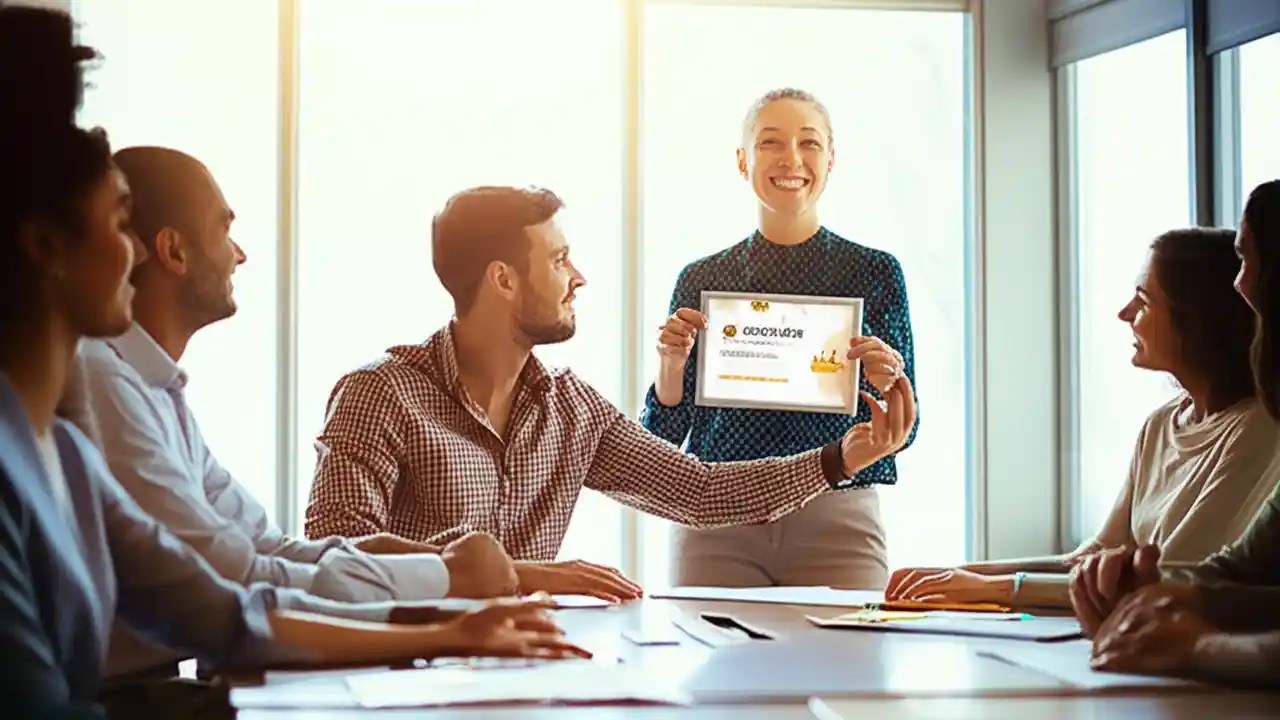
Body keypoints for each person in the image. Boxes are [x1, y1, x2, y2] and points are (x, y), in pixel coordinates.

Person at [0, 8, 583, 718]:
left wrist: (450, 626)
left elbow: (228, 609)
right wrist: (445, 587)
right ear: (44, 245)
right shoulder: (76, 414)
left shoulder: (67, 442)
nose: (131, 249)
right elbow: (239, 579)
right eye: (114, 223)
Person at [74, 146, 540, 685]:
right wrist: (442, 583)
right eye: (225, 231)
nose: (239, 254)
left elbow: (264, 548)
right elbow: (238, 585)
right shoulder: (104, 382)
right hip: (125, 699)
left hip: (164, 685)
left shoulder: (155, 390)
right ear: (173, 251)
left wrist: (448, 576)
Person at [304, 185, 917, 588]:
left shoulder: (573, 411)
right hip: (399, 679)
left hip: (522, 669)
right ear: (503, 279)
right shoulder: (379, 395)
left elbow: (699, 493)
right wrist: (535, 576)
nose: (579, 278)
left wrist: (844, 457)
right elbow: (338, 553)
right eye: (559, 260)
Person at [885, 228, 1279, 608]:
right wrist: (953, 573)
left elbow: (1164, 580)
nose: (1125, 313)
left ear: (1196, 320)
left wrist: (993, 588)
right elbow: (1095, 556)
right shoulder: (1160, 425)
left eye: (1143, 302)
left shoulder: (1257, 430)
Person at [640, 88, 916, 589]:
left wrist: (888, 385)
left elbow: (904, 435)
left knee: (846, 665)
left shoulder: (875, 273)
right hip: (718, 515)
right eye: (770, 143)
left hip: (837, 515)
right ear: (743, 160)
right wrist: (669, 368)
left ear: (831, 158)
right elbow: (661, 434)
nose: (792, 159)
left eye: (809, 143)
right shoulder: (700, 279)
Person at [1070, 179, 1280, 688]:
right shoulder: (1161, 422)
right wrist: (1157, 595)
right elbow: (1237, 569)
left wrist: (1192, 638)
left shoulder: (1256, 428)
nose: (1240, 287)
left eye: (1251, 264)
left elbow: (1198, 570)